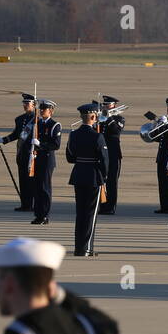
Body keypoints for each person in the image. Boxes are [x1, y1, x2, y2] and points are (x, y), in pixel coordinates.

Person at [63, 102, 108, 255]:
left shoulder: (73, 134)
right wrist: (104, 177)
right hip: (94, 177)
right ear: (94, 116)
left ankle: (78, 247)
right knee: (90, 214)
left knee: (80, 213)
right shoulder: (98, 136)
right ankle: (86, 248)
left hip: (78, 175)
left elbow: (70, 157)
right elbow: (104, 161)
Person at [0, 93, 38, 212]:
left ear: (34, 105)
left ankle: (34, 204)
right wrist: (3, 140)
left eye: (27, 103)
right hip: (22, 154)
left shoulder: (37, 120)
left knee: (32, 181)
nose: (25, 106)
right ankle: (25, 204)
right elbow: (16, 135)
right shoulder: (19, 119)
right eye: (24, 103)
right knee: (23, 180)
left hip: (33, 155)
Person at [27, 99, 63, 226]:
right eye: (41, 109)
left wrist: (40, 144)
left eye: (45, 109)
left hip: (47, 160)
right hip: (36, 159)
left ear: (51, 111)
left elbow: (56, 145)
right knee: (36, 188)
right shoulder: (37, 123)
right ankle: (38, 215)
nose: (42, 111)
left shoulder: (55, 125)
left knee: (44, 188)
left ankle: (45, 215)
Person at [97, 95, 125, 214]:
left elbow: (116, 130)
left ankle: (110, 207)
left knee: (112, 182)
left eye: (108, 105)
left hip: (113, 154)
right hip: (102, 153)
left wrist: (109, 118)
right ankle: (102, 205)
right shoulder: (101, 118)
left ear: (114, 105)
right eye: (104, 104)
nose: (106, 107)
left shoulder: (119, 118)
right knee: (101, 179)